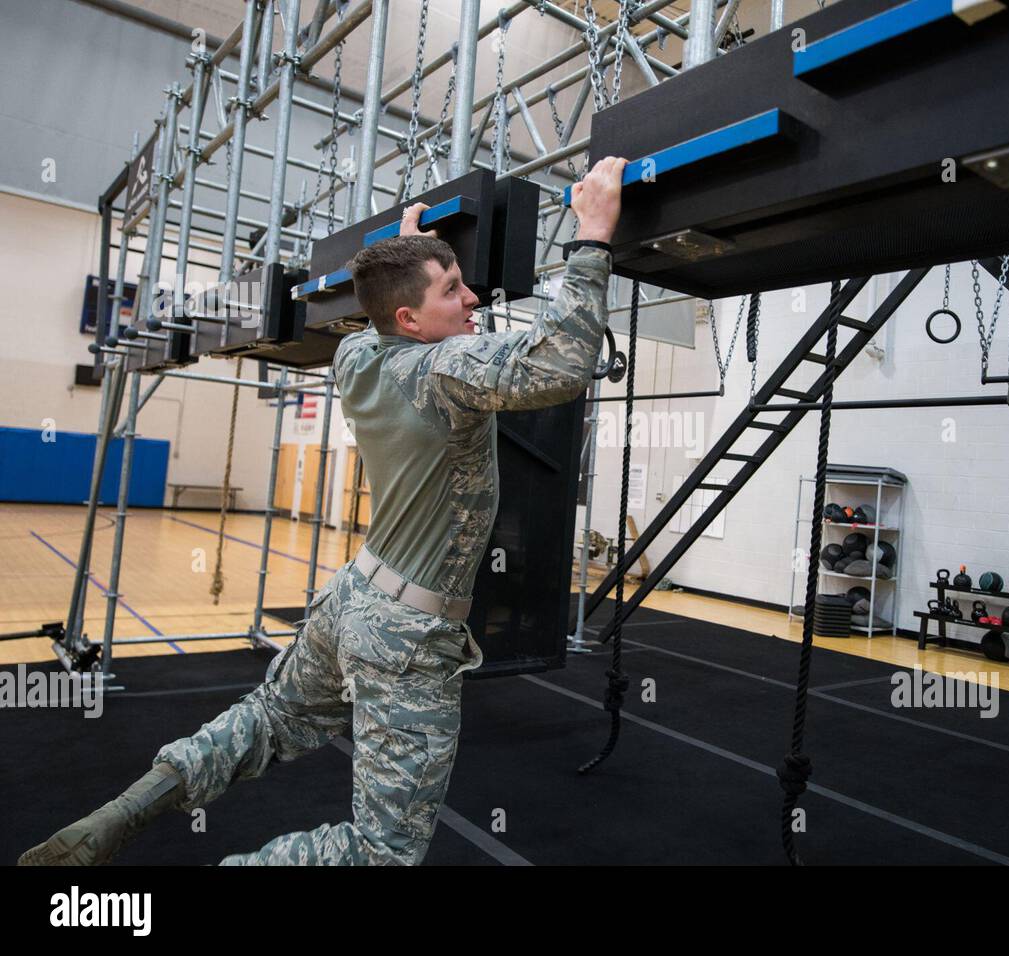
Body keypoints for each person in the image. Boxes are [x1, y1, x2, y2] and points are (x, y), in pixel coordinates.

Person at [20, 156, 629, 866]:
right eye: (454, 290)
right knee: (383, 852)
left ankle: (131, 807)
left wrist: (412, 242)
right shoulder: (441, 371)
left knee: (270, 718)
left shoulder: (356, 356)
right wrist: (591, 235)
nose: (473, 301)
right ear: (408, 317)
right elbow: (560, 364)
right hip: (405, 637)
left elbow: (387, 307)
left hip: (353, 598)